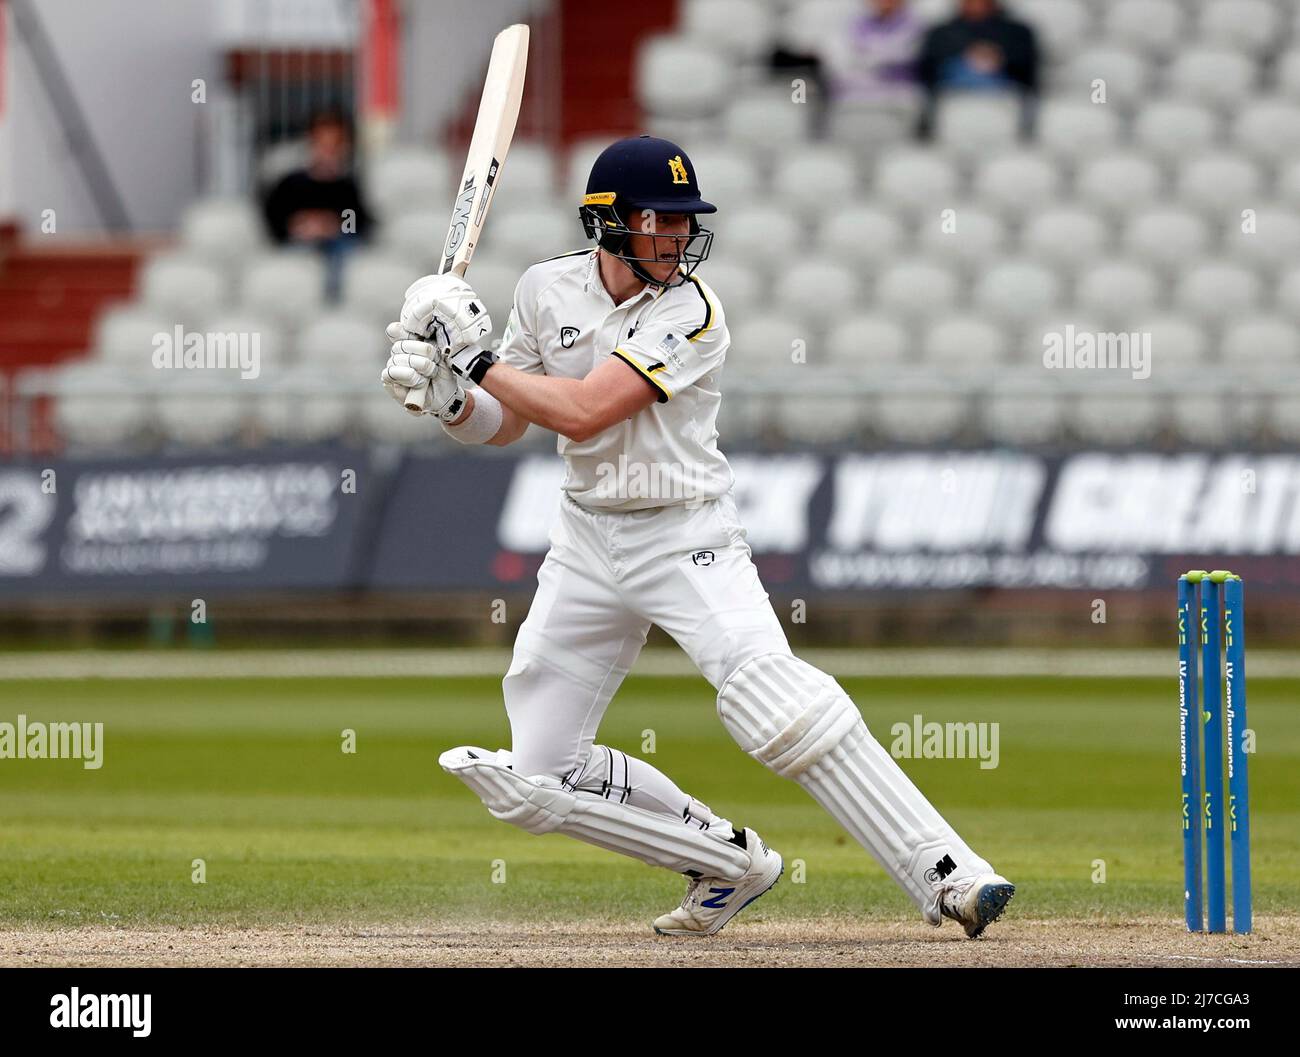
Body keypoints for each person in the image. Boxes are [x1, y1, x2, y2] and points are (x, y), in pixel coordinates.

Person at [379, 135, 1014, 937]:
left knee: (774, 702)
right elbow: (508, 424)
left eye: (685, 224)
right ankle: (727, 862)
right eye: (660, 223)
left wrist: (470, 357)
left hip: (685, 535)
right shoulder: (546, 288)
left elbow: (584, 409)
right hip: (585, 539)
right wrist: (450, 399)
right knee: (539, 779)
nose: (678, 239)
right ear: (608, 224)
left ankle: (949, 871)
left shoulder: (692, 310)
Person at [262, 110, 372, 300]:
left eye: (335, 145)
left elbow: (359, 223)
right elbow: (274, 219)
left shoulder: (347, 186)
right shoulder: (290, 183)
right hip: (296, 246)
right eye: (322, 144)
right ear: (311, 143)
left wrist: (333, 226)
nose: (328, 151)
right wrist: (297, 226)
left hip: (337, 248)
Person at [916, 0, 1040, 139]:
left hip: (1003, 102)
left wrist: (998, 59)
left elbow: (1029, 72)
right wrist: (963, 58)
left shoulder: (1017, 32)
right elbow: (928, 71)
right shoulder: (941, 32)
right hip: (954, 102)